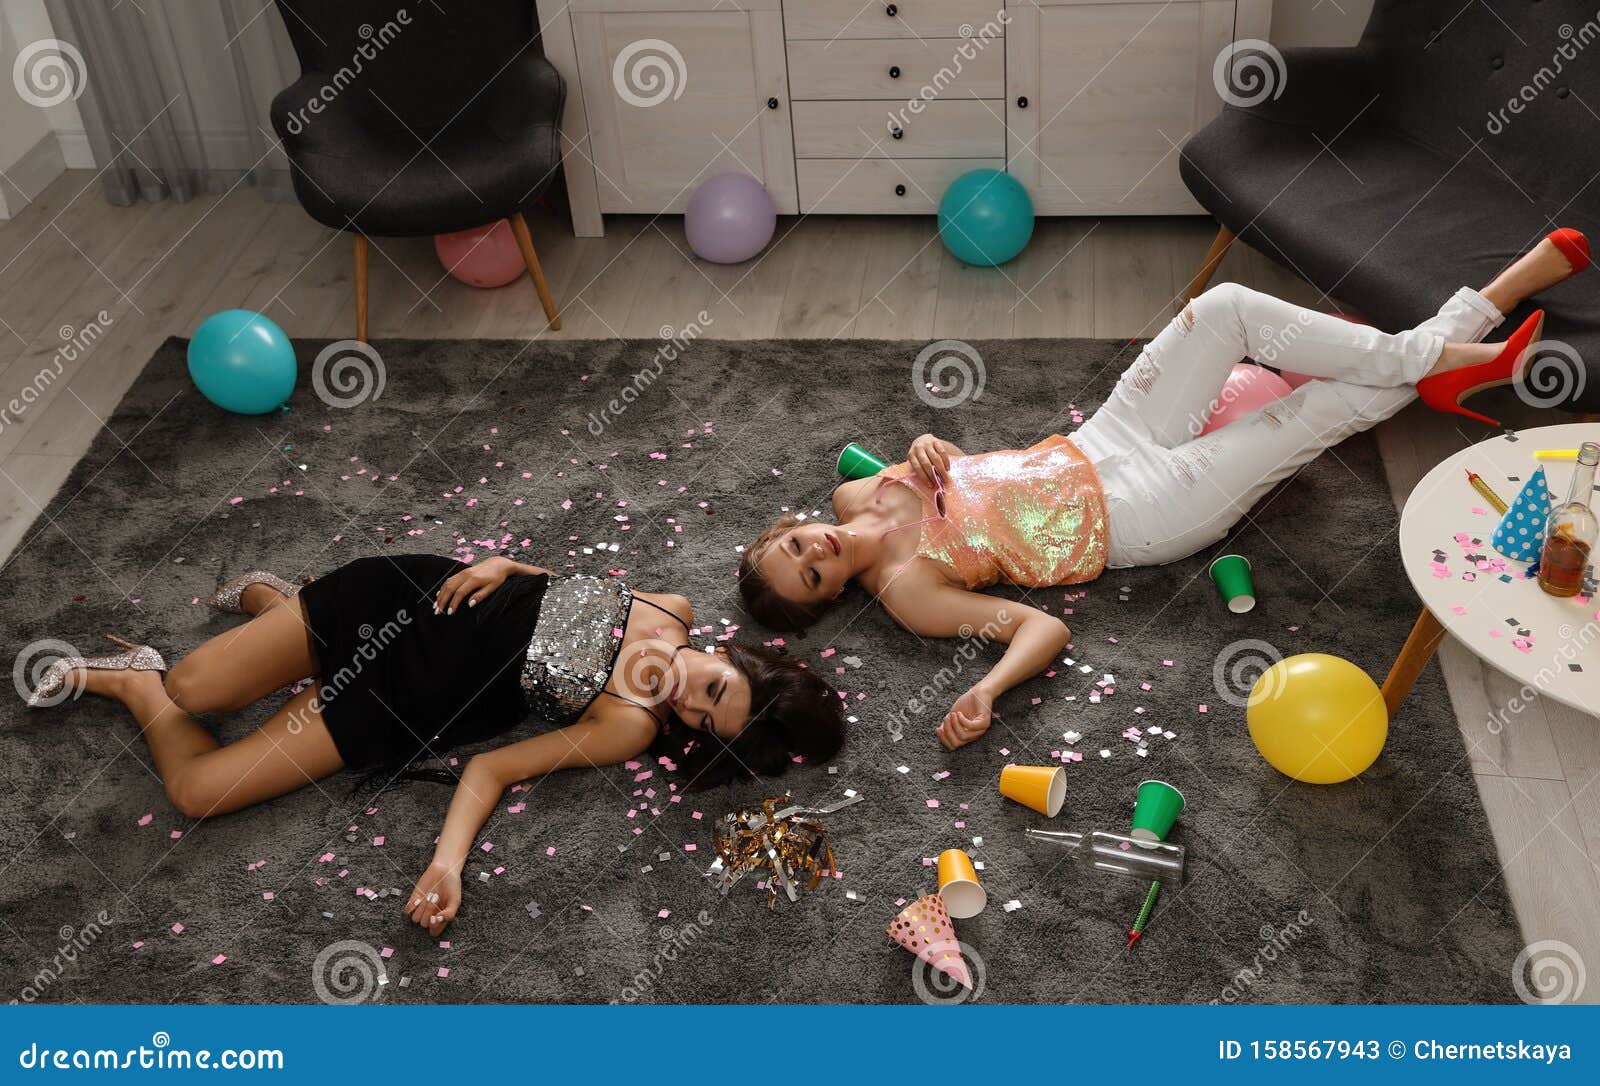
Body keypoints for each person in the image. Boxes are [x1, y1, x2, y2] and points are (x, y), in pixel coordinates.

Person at [739, 230, 1589, 751]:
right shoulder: (910, 595)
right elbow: (1043, 625)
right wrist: (989, 689)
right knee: (1315, 412)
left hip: (1098, 439)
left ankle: (1440, 361)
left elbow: (969, 473)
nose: (814, 554)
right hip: (1140, 510)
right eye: (810, 577)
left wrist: (933, 445)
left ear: (790, 527)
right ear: (829, 597)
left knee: (1222, 305)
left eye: (792, 547)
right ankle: (1487, 311)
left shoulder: (857, 498)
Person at [23, 553, 845, 935]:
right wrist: (504, 565)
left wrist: (447, 862)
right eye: (711, 687)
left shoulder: (628, 722)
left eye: (701, 723)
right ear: (728, 652)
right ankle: (287, 599)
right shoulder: (669, 607)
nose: (685, 701)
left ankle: (136, 676)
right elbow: (557, 587)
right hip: (413, 599)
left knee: (194, 789)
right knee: (200, 690)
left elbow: (491, 765)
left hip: (401, 699)